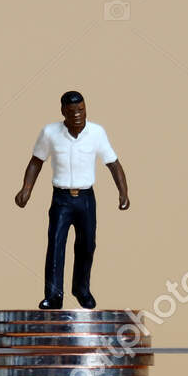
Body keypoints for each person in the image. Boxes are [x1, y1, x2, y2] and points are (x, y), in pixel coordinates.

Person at [14, 91, 129, 309]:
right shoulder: (50, 132)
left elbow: (113, 164)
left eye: (81, 110)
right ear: (63, 111)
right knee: (56, 244)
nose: (77, 115)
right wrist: (26, 189)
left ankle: (81, 289)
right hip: (61, 199)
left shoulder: (96, 133)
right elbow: (36, 161)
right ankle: (53, 295)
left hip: (86, 199)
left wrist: (123, 193)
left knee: (87, 244)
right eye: (72, 111)